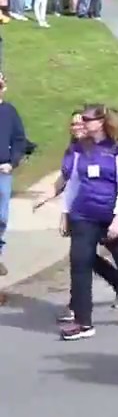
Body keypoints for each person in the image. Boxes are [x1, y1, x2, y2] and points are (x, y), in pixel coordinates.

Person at [60, 105, 118, 340]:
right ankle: (83, 322)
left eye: (88, 120)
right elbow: (73, 182)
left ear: (100, 122)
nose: (83, 123)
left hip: (113, 214)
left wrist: (117, 219)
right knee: (80, 263)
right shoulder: (80, 148)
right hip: (84, 215)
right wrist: (66, 213)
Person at [0, 72, 29, 276]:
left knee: (1, 217)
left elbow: (20, 139)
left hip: (3, 171)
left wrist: (12, 162)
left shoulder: (9, 112)